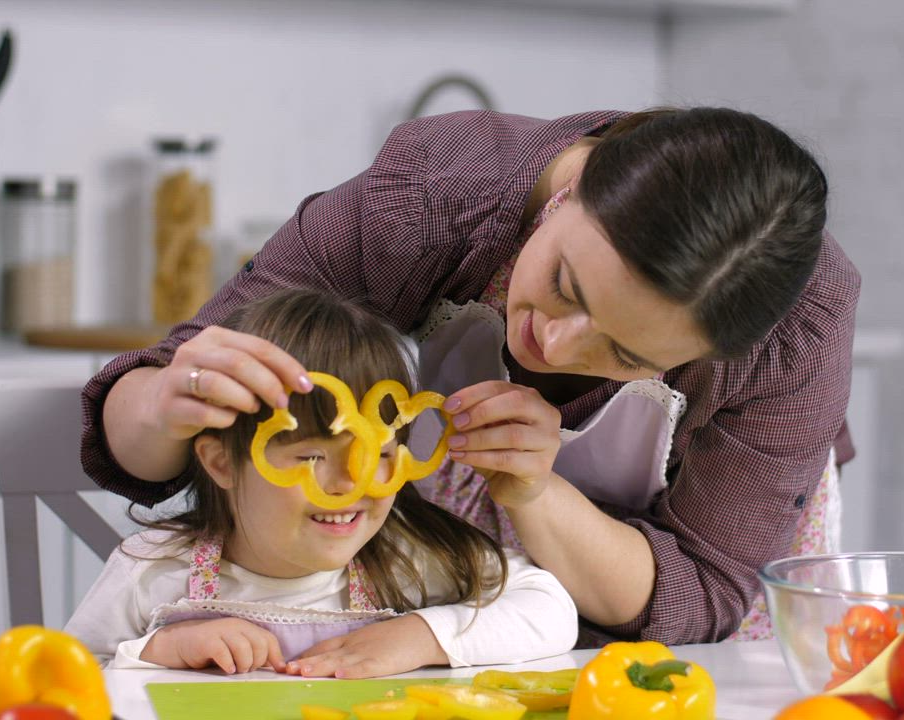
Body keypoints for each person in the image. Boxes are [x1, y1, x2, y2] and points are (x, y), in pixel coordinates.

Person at [81, 107, 860, 645]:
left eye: (626, 355)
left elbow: (702, 596)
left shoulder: (795, 332)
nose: (553, 345)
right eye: (564, 283)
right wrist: (166, 405)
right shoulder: (427, 198)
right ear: (566, 194)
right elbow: (138, 433)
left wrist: (537, 493)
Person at [65, 288, 578, 677]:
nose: (350, 483)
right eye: (311, 455)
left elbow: (551, 609)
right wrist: (158, 652)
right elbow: (69, 677)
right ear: (221, 463)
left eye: (377, 453)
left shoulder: (407, 557)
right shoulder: (152, 570)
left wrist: (421, 636)